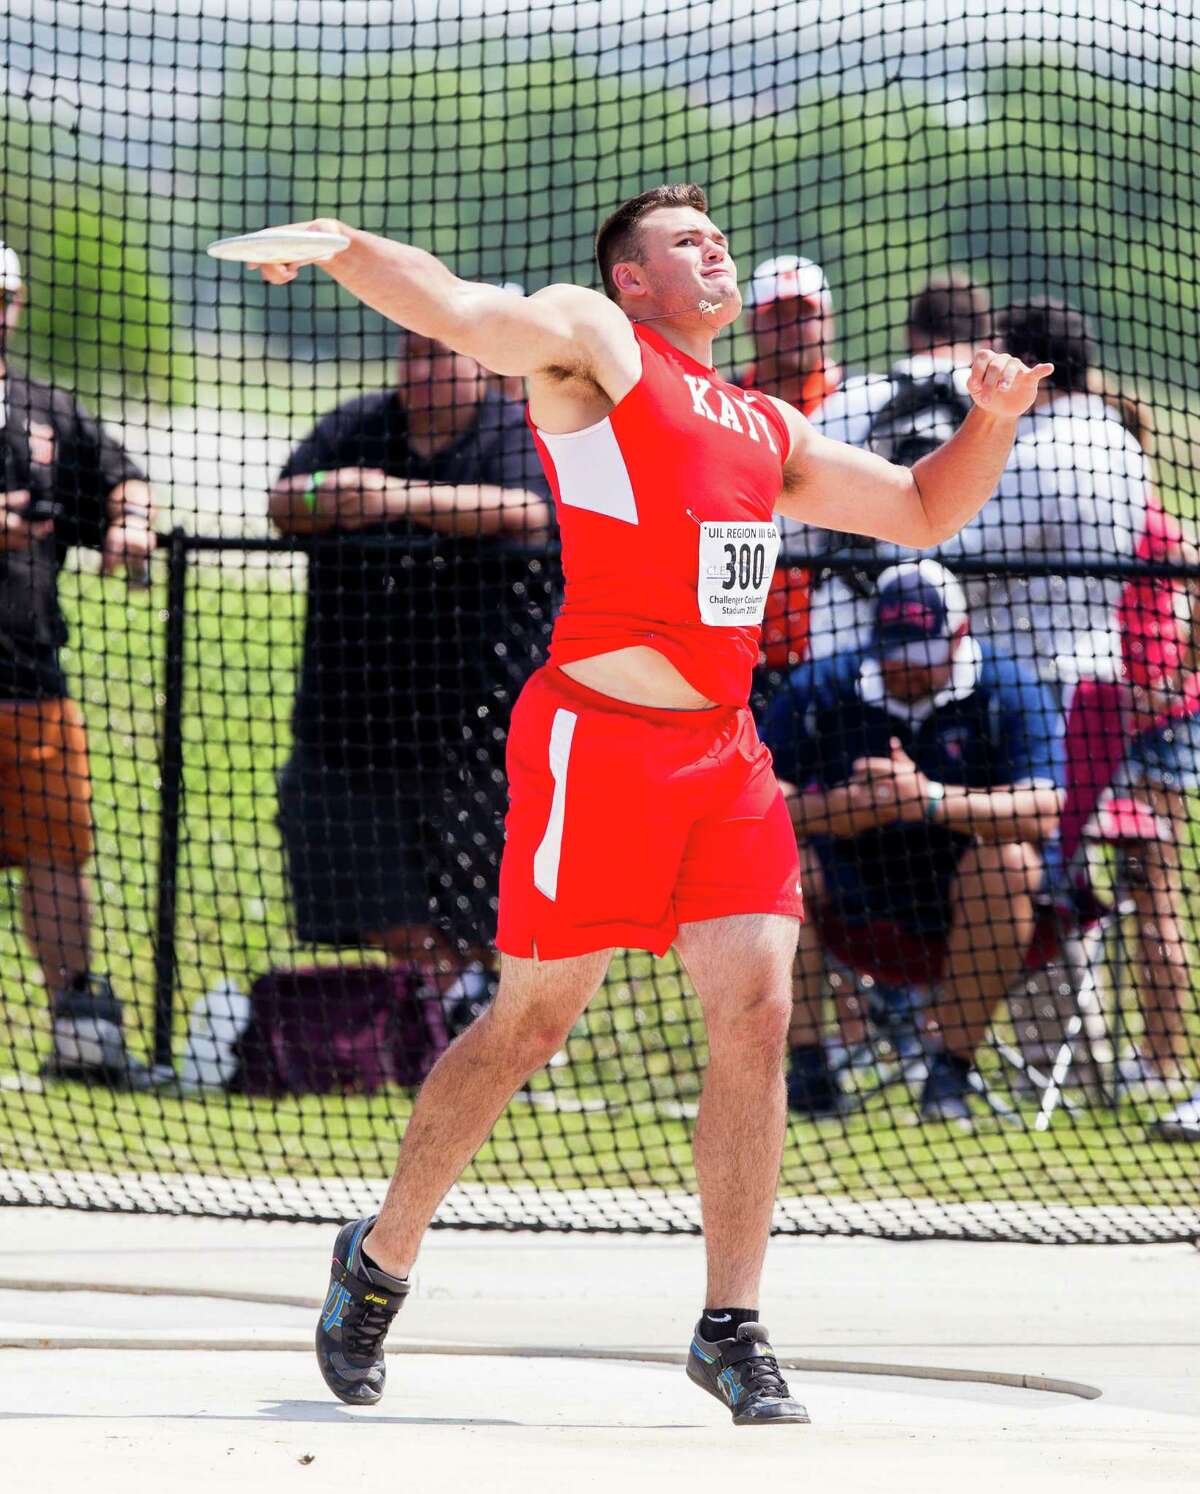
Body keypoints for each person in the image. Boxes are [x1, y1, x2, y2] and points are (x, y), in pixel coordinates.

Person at [247, 182, 1051, 1424]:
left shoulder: (765, 423)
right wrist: (348, 248)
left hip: (722, 755)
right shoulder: (601, 347)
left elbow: (921, 507)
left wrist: (992, 420)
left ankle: (732, 1324)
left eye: (716, 235)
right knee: (530, 1028)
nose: (714, 247)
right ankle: (381, 1254)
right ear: (633, 278)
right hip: (596, 745)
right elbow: (464, 310)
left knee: (759, 1002)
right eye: (687, 239)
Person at [269, 331, 553, 1007]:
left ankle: (490, 1010)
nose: (419, 369)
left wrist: (394, 501)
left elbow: (529, 510)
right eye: (411, 354)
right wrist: (325, 497)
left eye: (437, 355)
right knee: (360, 875)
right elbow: (282, 501)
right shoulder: (358, 424)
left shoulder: (515, 430)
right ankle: (453, 998)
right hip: (354, 725)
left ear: (481, 364)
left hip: (480, 729)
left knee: (489, 895)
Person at [762, 561, 1065, 1121]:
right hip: (854, 894)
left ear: (958, 637)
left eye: (922, 653)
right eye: (896, 650)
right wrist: (834, 810)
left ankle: (950, 1072)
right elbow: (748, 790)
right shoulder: (823, 687)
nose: (906, 668)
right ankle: (808, 1069)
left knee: (1011, 862)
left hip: (969, 900)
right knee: (773, 860)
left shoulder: (1011, 688)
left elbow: (1046, 807)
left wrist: (928, 801)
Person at [0, 240, 160, 1088]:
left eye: (6, 297)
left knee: (58, 852)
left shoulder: (43, 407)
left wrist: (130, 522)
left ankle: (78, 1025)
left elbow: (121, 478)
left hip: (28, 674)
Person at [781, 270, 993, 659]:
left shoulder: (854, 398)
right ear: (985, 339)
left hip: (848, 640)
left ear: (911, 334)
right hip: (965, 652)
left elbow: (789, 528)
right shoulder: (1001, 413)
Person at [737, 255, 842, 671]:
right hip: (742, 652)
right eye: (777, 315)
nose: (793, 328)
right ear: (752, 325)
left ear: (828, 321)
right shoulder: (721, 402)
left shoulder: (861, 405)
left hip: (837, 654)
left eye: (805, 314)